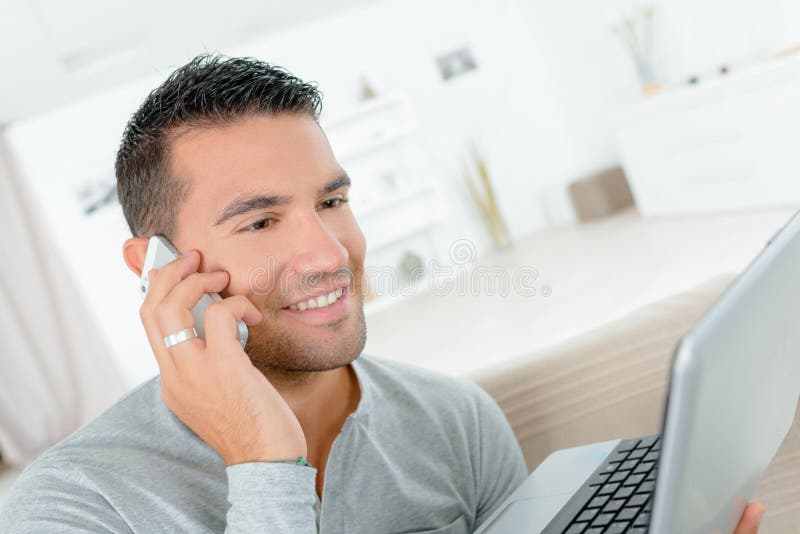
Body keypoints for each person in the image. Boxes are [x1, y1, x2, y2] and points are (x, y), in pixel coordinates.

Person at [0, 53, 765, 534]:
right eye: (262, 220)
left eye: (331, 202)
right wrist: (265, 466)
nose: (329, 253)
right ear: (154, 264)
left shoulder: (454, 422)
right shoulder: (75, 503)